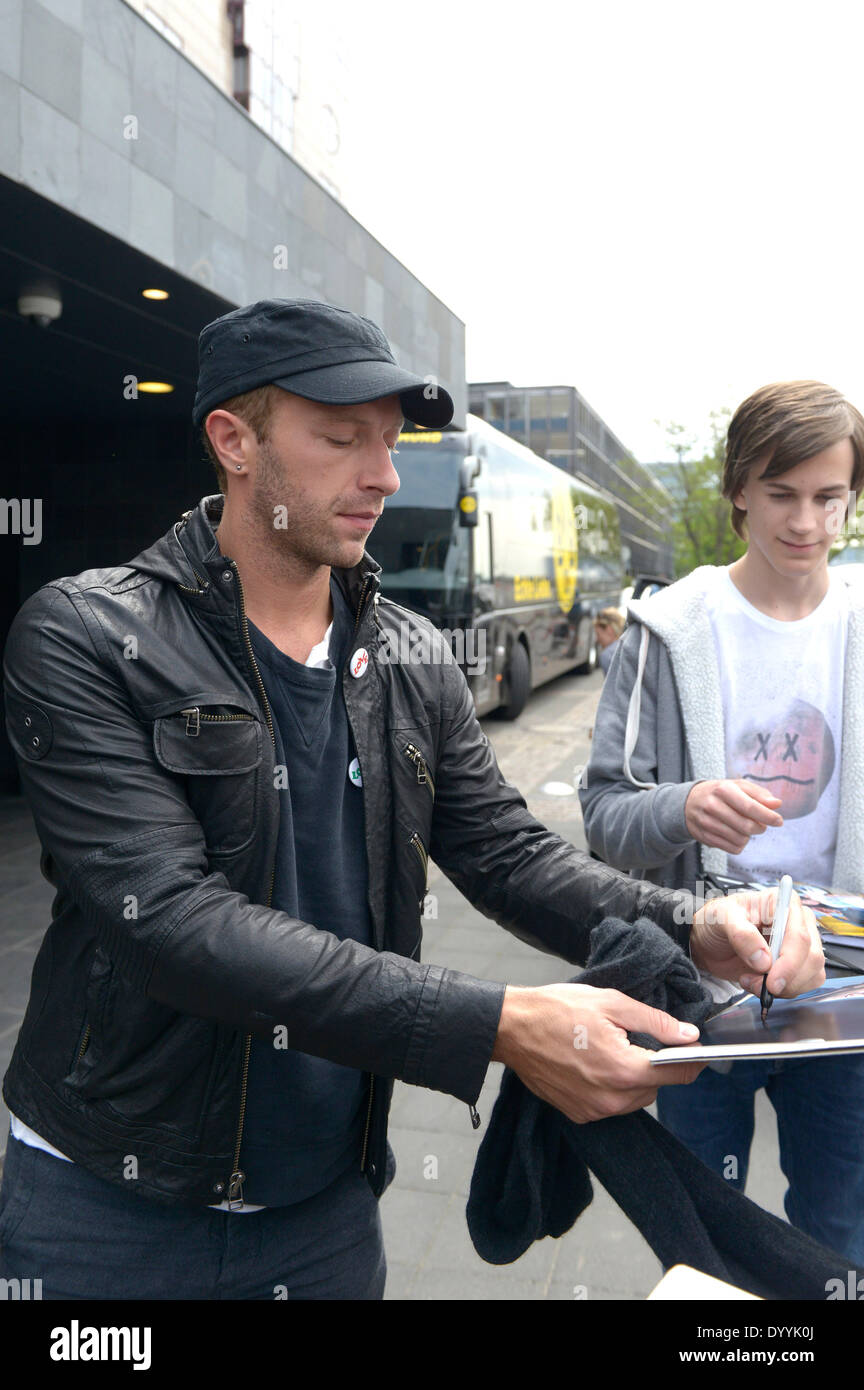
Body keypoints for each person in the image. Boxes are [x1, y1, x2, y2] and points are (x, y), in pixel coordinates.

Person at [0, 305, 822, 1300]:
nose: (384, 476)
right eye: (342, 439)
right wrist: (498, 1021)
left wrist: (692, 924)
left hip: (325, 1205)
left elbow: (509, 854)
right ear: (233, 440)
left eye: (389, 442)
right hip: (103, 1202)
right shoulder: (85, 637)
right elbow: (173, 924)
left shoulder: (410, 656)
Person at [580, 379, 864, 1263]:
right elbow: (603, 815)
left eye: (830, 497)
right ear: (739, 488)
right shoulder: (666, 632)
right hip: (701, 985)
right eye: (782, 494)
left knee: (842, 1236)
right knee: (702, 1244)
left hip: (849, 993)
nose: (807, 522)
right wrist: (684, 806)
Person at [594, 607, 626, 673]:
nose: (597, 639)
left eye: (598, 634)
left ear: (609, 630)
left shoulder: (607, 655)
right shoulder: (627, 646)